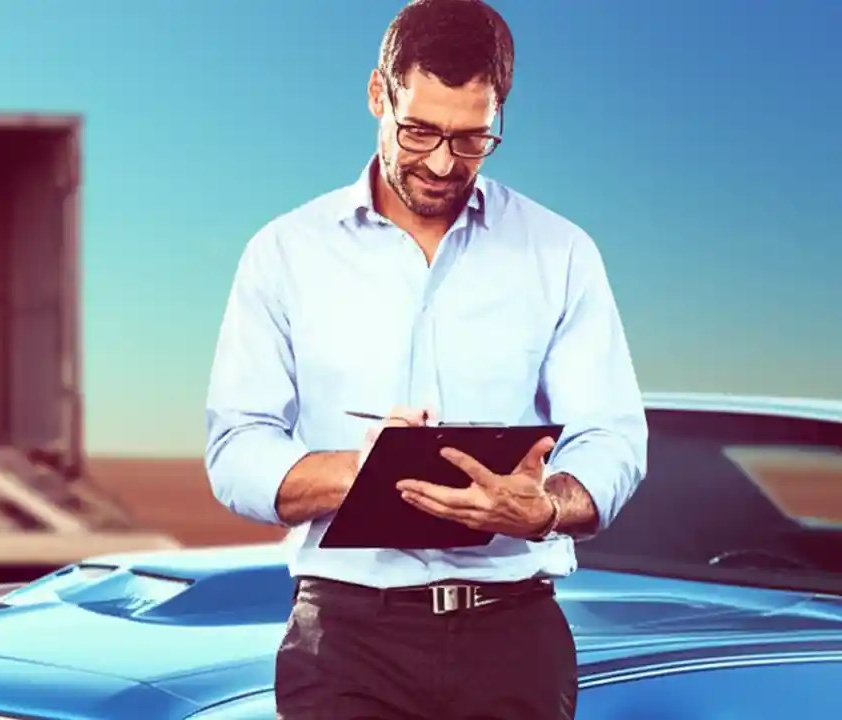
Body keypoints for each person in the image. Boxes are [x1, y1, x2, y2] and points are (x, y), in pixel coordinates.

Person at [203, 1, 649, 718]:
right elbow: (235, 450)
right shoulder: (284, 253)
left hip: (516, 637)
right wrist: (360, 471)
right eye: (419, 131)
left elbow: (613, 438)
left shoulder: (561, 253)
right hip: (346, 642)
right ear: (378, 93)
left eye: (472, 139)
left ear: (500, 113)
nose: (443, 162)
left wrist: (545, 507)